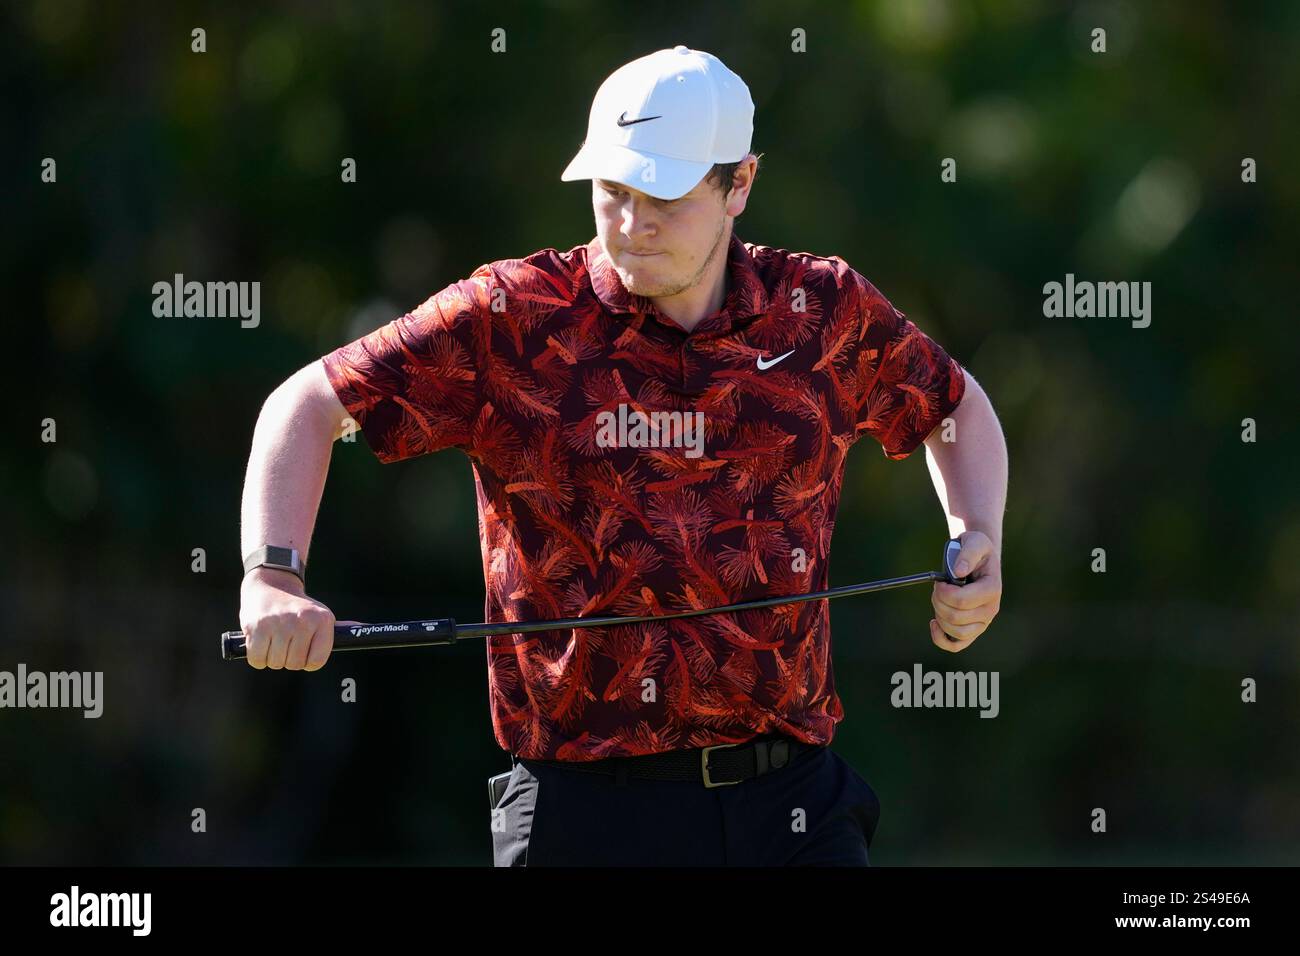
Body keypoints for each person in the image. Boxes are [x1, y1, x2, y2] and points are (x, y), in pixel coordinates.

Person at [237, 45, 1008, 866]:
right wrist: (272, 577)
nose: (632, 223)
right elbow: (308, 404)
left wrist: (977, 534)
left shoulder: (821, 313)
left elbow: (953, 406)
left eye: (665, 197)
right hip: (583, 817)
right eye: (613, 192)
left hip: (792, 806)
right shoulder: (513, 316)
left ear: (739, 184)